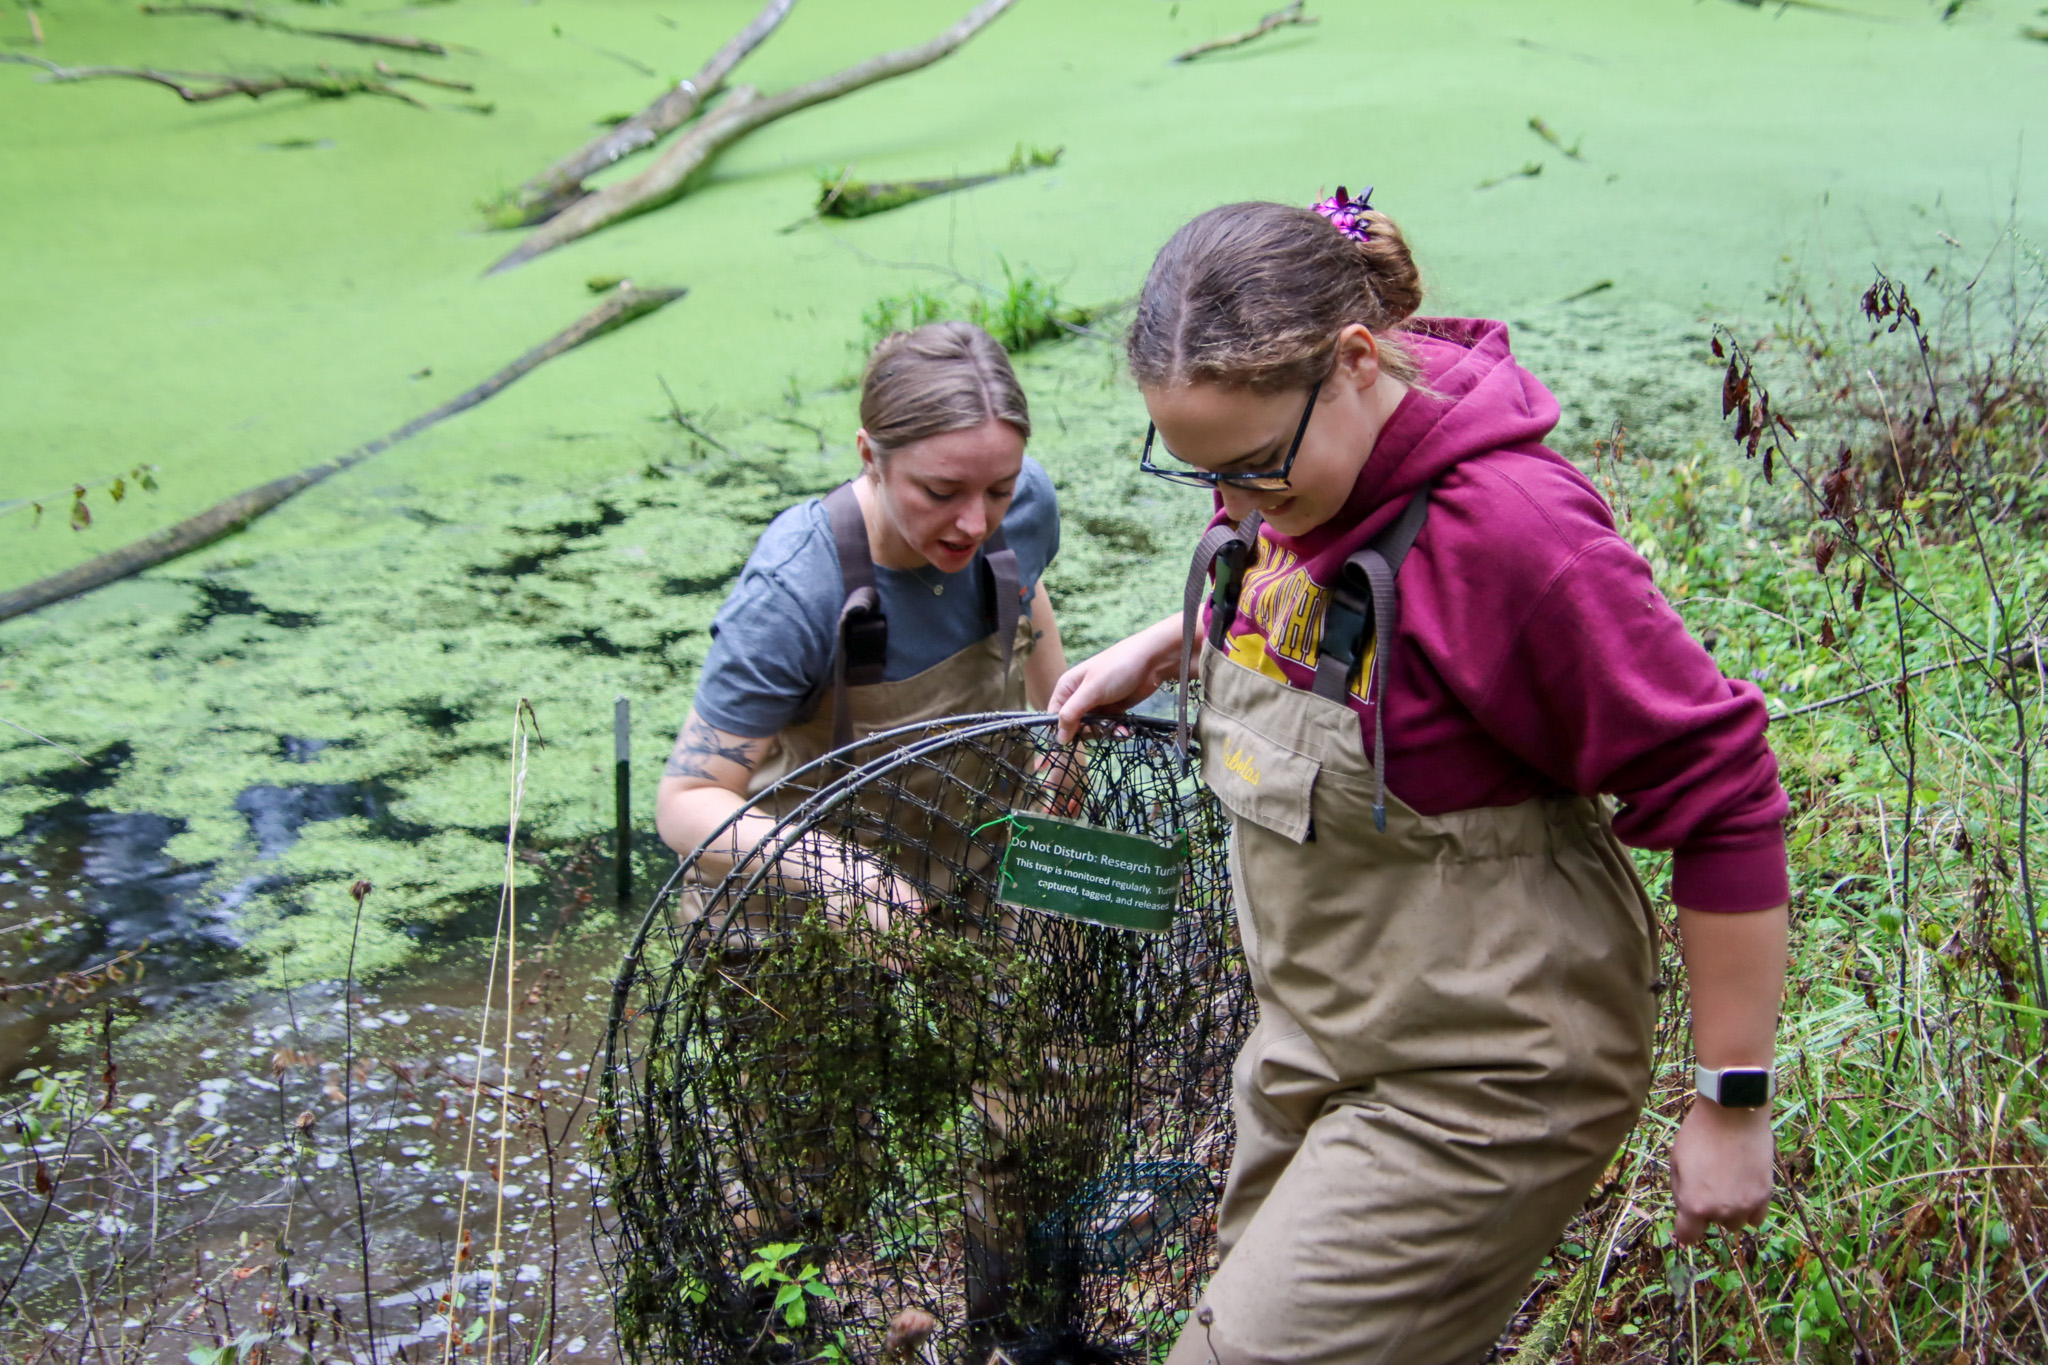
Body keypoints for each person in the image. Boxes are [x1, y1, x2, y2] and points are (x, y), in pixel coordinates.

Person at [1050, 191, 1789, 1365]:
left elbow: (1723, 791)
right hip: (1316, 1041)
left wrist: (1729, 1100)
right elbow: (1304, 573)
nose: (1237, 507)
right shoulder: (1292, 470)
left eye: (1251, 471)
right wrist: (1176, 634)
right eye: (1200, 475)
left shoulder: (1510, 536)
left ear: (1351, 362)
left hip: (1482, 1076)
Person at [656, 320, 1068, 894]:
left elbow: (1025, 585)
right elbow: (687, 804)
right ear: (869, 455)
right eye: (941, 493)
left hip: (970, 879)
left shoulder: (1026, 507)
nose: (976, 522)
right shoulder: (796, 589)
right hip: (795, 924)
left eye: (999, 488)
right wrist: (842, 878)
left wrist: (1062, 734)